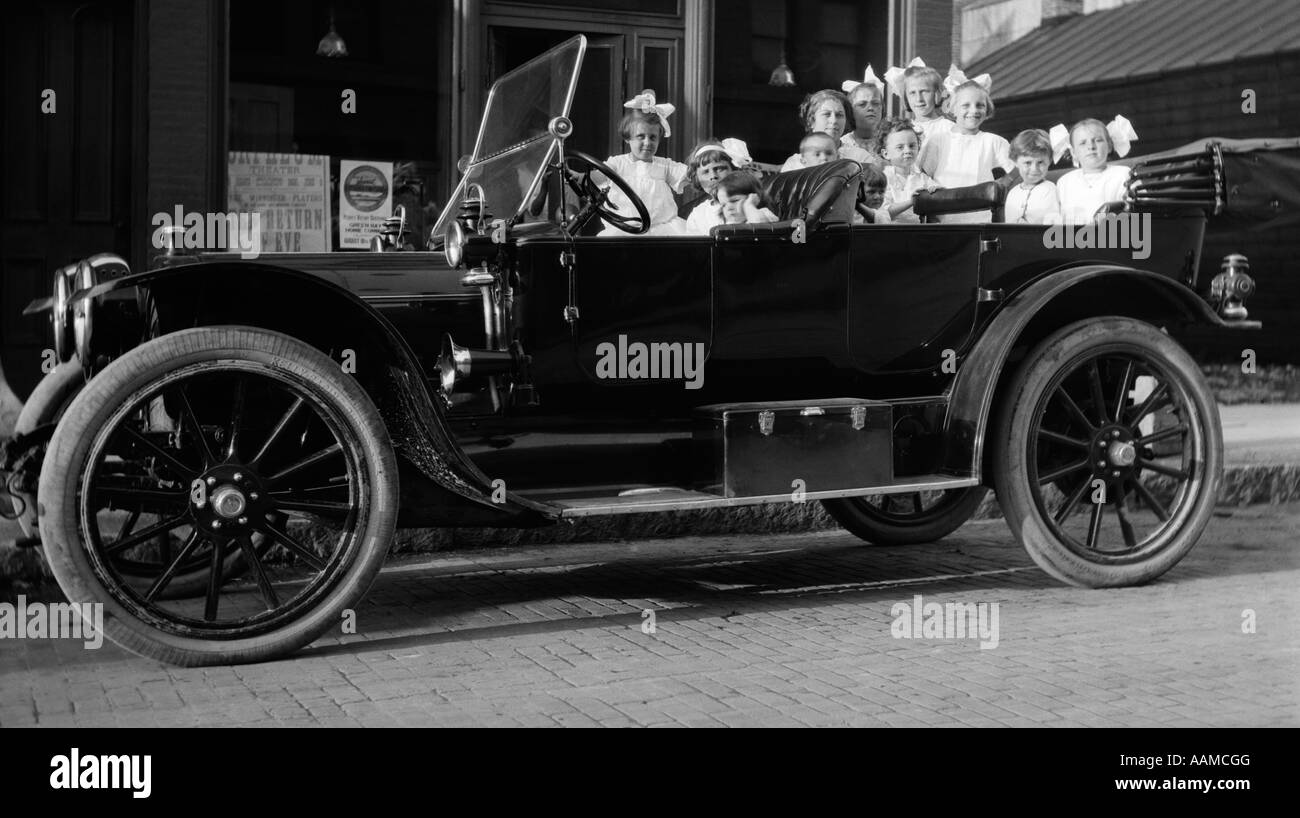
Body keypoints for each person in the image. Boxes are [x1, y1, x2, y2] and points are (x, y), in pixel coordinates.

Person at [916, 79, 1012, 223]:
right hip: (942, 219)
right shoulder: (938, 140)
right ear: (953, 108)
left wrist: (1000, 189)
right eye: (965, 105)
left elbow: (1016, 173)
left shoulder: (994, 142)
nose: (973, 110)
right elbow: (921, 176)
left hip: (981, 220)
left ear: (987, 109)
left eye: (980, 105)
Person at [599, 90, 689, 236]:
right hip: (625, 229)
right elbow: (597, 175)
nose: (647, 142)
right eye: (641, 136)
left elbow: (690, 174)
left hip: (662, 229)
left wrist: (705, 169)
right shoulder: (618, 163)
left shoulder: (664, 166)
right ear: (628, 138)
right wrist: (578, 176)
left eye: (653, 137)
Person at [1054, 116, 1137, 224]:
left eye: (1098, 140)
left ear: (1110, 146)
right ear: (1073, 152)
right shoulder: (1064, 182)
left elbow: (1139, 210)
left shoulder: (1124, 174)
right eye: (1083, 143)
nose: (1091, 146)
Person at [779, 89, 874, 171]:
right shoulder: (794, 165)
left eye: (839, 115)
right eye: (826, 114)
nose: (834, 121)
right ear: (811, 121)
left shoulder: (860, 158)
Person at [683, 138, 752, 234]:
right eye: (705, 172)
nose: (713, 176)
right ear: (697, 178)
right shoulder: (698, 215)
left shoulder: (747, 202)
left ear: (734, 170)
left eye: (719, 169)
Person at [876, 118, 938, 223]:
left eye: (912, 146)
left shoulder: (922, 178)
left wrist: (933, 191)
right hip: (891, 232)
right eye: (900, 147)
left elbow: (937, 193)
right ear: (886, 154)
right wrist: (912, 201)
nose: (908, 150)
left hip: (917, 232)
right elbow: (884, 213)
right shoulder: (883, 179)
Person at [885, 58, 952, 146]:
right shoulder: (901, 130)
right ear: (906, 97)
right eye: (912, 93)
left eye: (924, 91)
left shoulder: (949, 129)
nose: (918, 99)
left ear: (936, 94)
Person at [1004, 129, 1061, 224]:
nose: (1034, 169)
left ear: (1049, 161)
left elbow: (1052, 224)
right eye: (1027, 163)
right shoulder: (1013, 193)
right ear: (1015, 162)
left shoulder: (1050, 190)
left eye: (1040, 162)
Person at [840, 69, 886, 165]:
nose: (870, 108)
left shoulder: (891, 141)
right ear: (850, 110)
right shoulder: (842, 145)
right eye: (862, 104)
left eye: (875, 103)